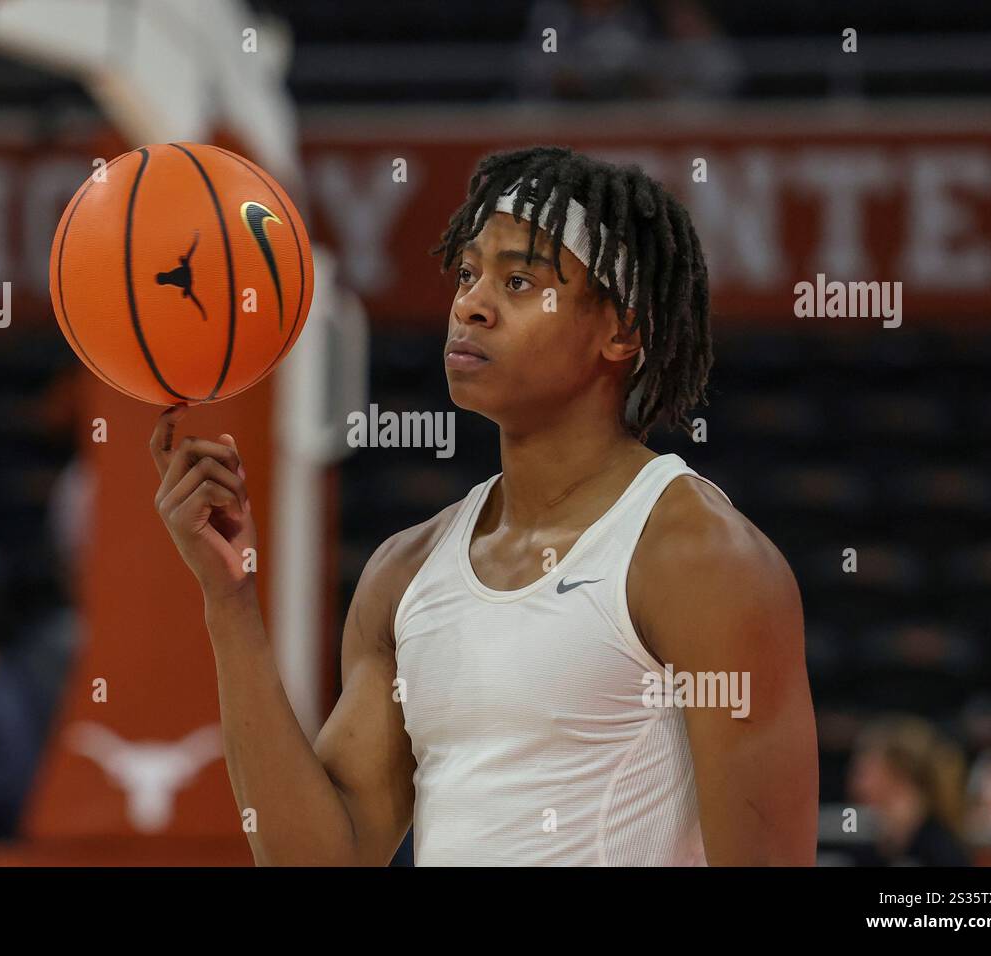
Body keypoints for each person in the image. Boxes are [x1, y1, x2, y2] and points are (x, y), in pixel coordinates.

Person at [150, 145, 818, 865]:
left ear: (620, 331)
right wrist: (229, 600)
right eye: (467, 273)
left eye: (520, 280)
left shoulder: (702, 561)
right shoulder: (404, 571)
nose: (470, 303)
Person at [848, 716, 971, 866]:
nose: (854, 780)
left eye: (864, 771)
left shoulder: (939, 846)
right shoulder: (875, 844)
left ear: (898, 772)